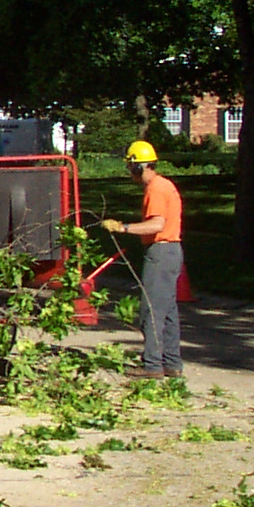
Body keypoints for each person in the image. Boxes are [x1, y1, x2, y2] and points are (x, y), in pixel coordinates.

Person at [102, 140, 183, 379]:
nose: (130, 172)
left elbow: (157, 224)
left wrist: (123, 228)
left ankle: (152, 365)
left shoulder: (156, 189)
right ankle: (172, 363)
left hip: (161, 252)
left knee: (152, 310)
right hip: (171, 252)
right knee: (168, 311)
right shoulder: (165, 185)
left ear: (139, 166)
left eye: (130, 167)